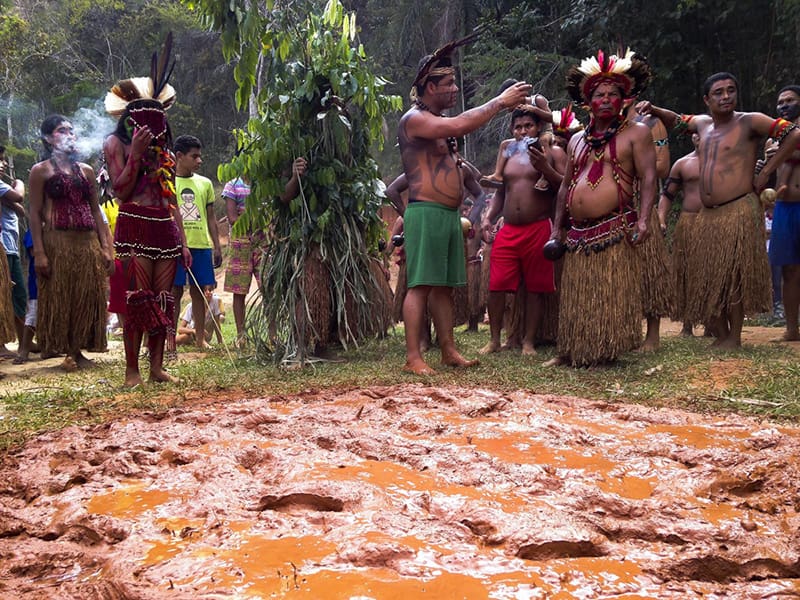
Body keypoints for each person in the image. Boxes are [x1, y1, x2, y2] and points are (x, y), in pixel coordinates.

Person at [638, 72, 800, 348]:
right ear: (706, 99)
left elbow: (793, 133)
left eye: (730, 91)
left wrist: (767, 172)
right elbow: (677, 121)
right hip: (709, 215)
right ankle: (723, 332)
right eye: (718, 93)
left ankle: (734, 336)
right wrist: (653, 110)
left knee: (733, 273)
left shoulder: (750, 121)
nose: (726, 97)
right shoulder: (702, 125)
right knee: (713, 275)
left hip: (738, 209)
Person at [397, 43, 530, 374]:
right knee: (420, 286)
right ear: (430, 87)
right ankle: (413, 356)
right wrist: (499, 103)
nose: (456, 89)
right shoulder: (414, 120)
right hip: (425, 212)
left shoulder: (437, 120)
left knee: (442, 287)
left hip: (447, 216)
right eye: (449, 85)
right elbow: (458, 125)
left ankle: (448, 350)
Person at [545, 49, 657, 367]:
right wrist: (556, 227)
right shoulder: (577, 139)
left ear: (624, 99)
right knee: (578, 296)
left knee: (606, 294)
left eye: (613, 94)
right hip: (578, 232)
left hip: (615, 225)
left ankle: (603, 351)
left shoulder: (637, 133)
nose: (606, 99)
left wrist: (645, 220)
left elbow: (649, 179)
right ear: (588, 101)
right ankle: (569, 350)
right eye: (599, 94)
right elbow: (565, 186)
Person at [103, 33, 192, 387]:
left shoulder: (166, 152)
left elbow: (170, 200)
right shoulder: (115, 144)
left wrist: (182, 241)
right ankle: (131, 370)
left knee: (163, 299)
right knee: (137, 299)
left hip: (164, 227)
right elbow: (121, 191)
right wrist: (136, 155)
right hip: (135, 224)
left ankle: (156, 367)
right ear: (129, 118)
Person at [28, 115, 114, 371]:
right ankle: (64, 350)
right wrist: (40, 253)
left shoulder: (86, 171)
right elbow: (33, 212)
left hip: (87, 243)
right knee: (60, 296)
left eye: (71, 130)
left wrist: (106, 247)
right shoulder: (40, 171)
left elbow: (96, 211)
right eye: (60, 130)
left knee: (86, 296)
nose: (68, 134)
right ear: (47, 138)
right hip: (58, 242)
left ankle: (78, 350)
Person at [480, 104, 566, 356]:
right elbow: (500, 191)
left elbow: (565, 184)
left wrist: (545, 169)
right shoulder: (507, 153)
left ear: (538, 127)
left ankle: (528, 341)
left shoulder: (552, 152)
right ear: (511, 129)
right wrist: (488, 218)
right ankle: (495, 339)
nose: (523, 131)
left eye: (528, 126)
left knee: (535, 288)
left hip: (538, 227)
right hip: (509, 229)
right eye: (518, 127)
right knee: (496, 286)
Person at [626, 100, 674, 351]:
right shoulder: (605, 125)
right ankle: (624, 330)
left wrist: (625, 166)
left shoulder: (651, 123)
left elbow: (663, 166)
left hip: (640, 203)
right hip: (614, 204)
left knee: (649, 268)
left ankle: (652, 335)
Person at [171, 135, 222, 350]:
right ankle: (169, 340)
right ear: (179, 156)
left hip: (201, 244)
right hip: (173, 245)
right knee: (174, 292)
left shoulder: (205, 183)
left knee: (200, 292)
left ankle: (200, 338)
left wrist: (217, 245)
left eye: (200, 156)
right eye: (195, 156)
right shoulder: (168, 182)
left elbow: (210, 217)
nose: (199, 161)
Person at [659, 133, 703, 335]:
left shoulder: (723, 161)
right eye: (697, 134)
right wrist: (661, 218)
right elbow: (668, 194)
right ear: (693, 137)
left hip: (717, 221)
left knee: (715, 272)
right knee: (685, 271)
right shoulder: (683, 164)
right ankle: (687, 323)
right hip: (689, 221)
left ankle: (714, 322)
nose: (701, 138)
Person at [767, 85, 800, 341]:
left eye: (790, 101)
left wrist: (785, 151)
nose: (784, 106)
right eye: (780, 102)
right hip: (783, 208)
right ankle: (791, 329)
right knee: (788, 270)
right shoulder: (772, 138)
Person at [0, 155, 26, 354]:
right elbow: (19, 198)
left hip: (11, 246)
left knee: (18, 295)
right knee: (3, 296)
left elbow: (20, 210)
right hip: (2, 247)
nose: (4, 164)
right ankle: (1, 343)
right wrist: (19, 183)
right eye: (0, 159)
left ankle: (25, 341)